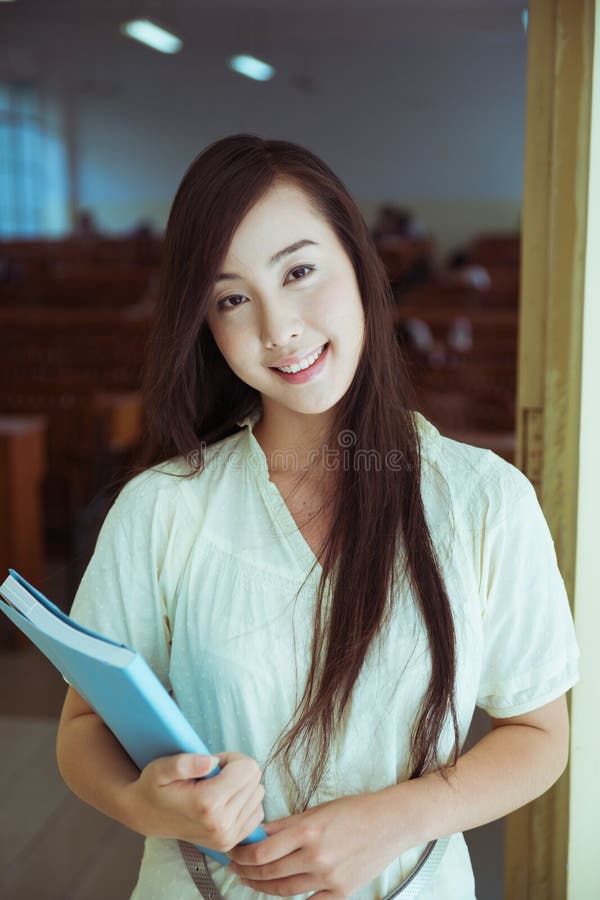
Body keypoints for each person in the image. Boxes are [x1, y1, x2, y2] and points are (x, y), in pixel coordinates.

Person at [56, 135, 579, 900]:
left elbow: (540, 735)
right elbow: (82, 732)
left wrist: (396, 819)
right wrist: (145, 804)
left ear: (359, 265)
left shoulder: (484, 500)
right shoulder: (161, 508)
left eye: (299, 271)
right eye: (232, 299)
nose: (279, 329)